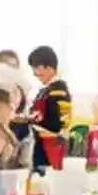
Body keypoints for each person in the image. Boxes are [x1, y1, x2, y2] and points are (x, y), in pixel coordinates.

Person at [25, 45, 70, 173]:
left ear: (50, 68)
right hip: (41, 147)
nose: (35, 73)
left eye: (37, 68)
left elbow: (57, 124)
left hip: (48, 149)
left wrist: (31, 122)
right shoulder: (47, 90)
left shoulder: (59, 91)